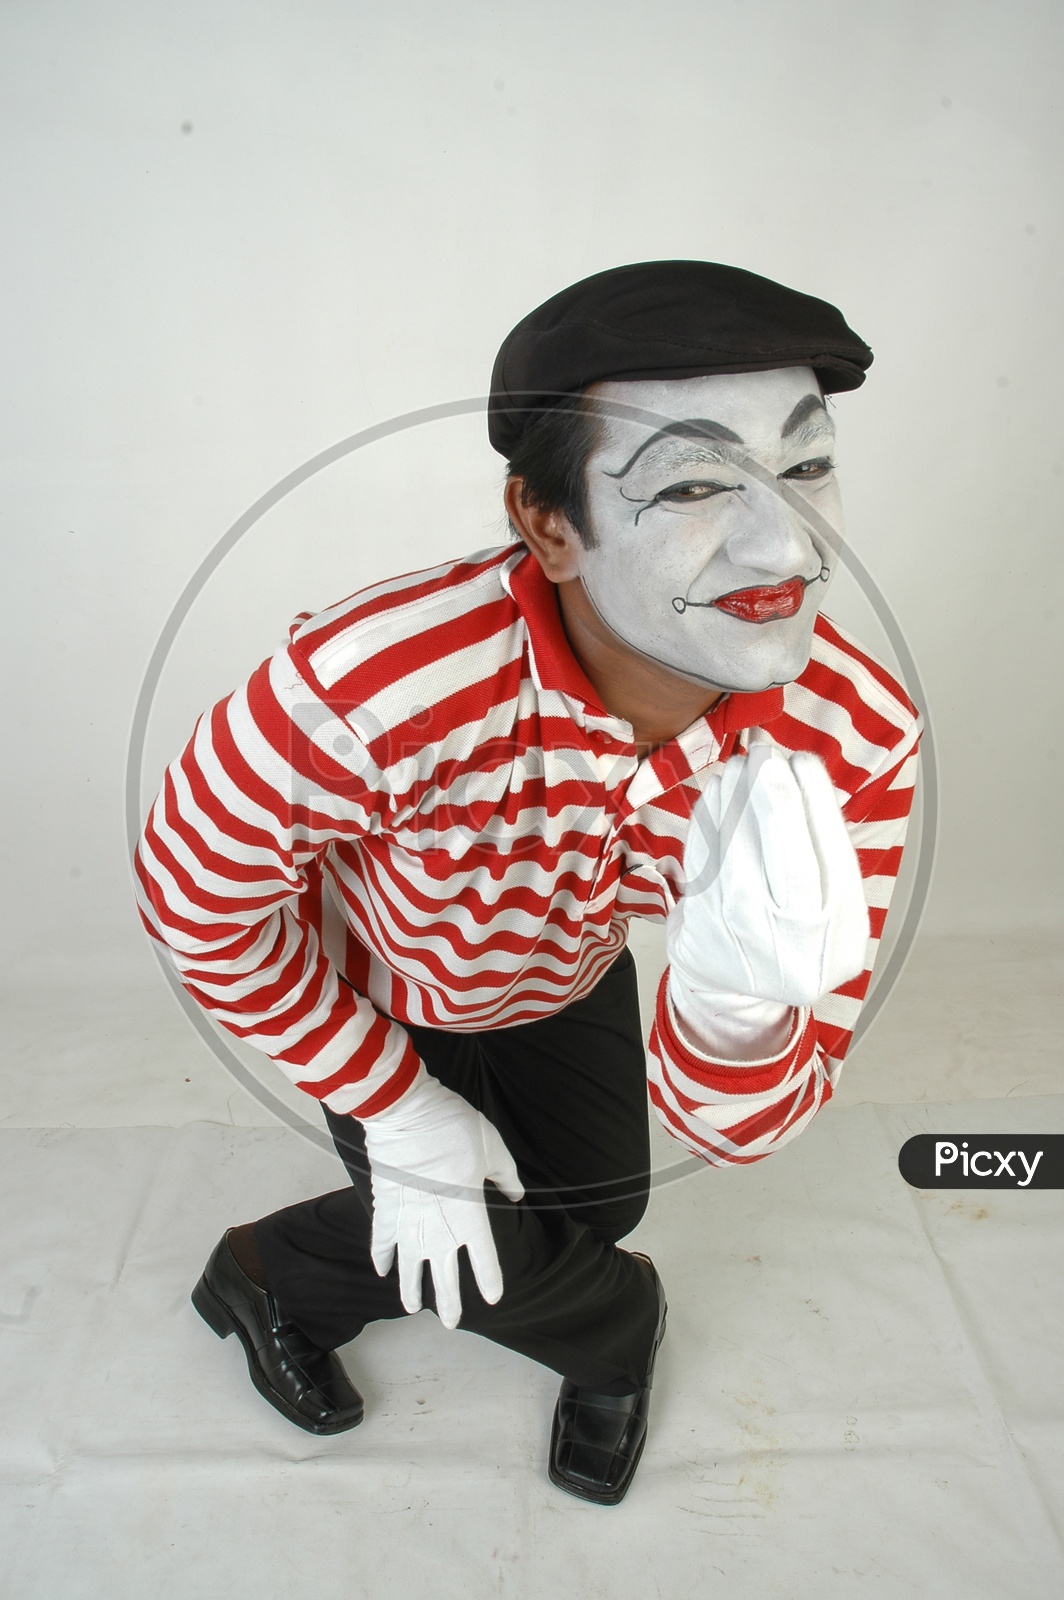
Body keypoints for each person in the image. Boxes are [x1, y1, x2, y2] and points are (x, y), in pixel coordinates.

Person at [134, 260, 921, 1506]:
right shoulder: (364, 684)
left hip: (566, 974)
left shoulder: (853, 739)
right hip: (387, 990)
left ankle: (274, 1267)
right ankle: (611, 1334)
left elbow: (739, 1126)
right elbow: (193, 890)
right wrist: (392, 1107)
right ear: (548, 524)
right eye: (696, 480)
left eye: (806, 463)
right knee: (544, 1259)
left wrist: (734, 1007)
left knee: (594, 1209)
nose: (789, 539)